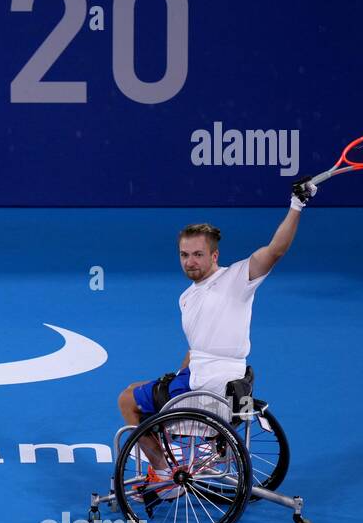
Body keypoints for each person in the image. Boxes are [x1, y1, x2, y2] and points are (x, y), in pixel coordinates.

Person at [117, 179, 318, 476]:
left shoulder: (238, 278)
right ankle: (180, 450)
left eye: (198, 255)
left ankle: (162, 471)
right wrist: (177, 379)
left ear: (214, 256)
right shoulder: (186, 297)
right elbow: (195, 348)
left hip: (210, 386)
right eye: (184, 255)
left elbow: (275, 250)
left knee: (126, 400)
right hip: (221, 382)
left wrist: (296, 206)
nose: (190, 262)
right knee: (139, 388)